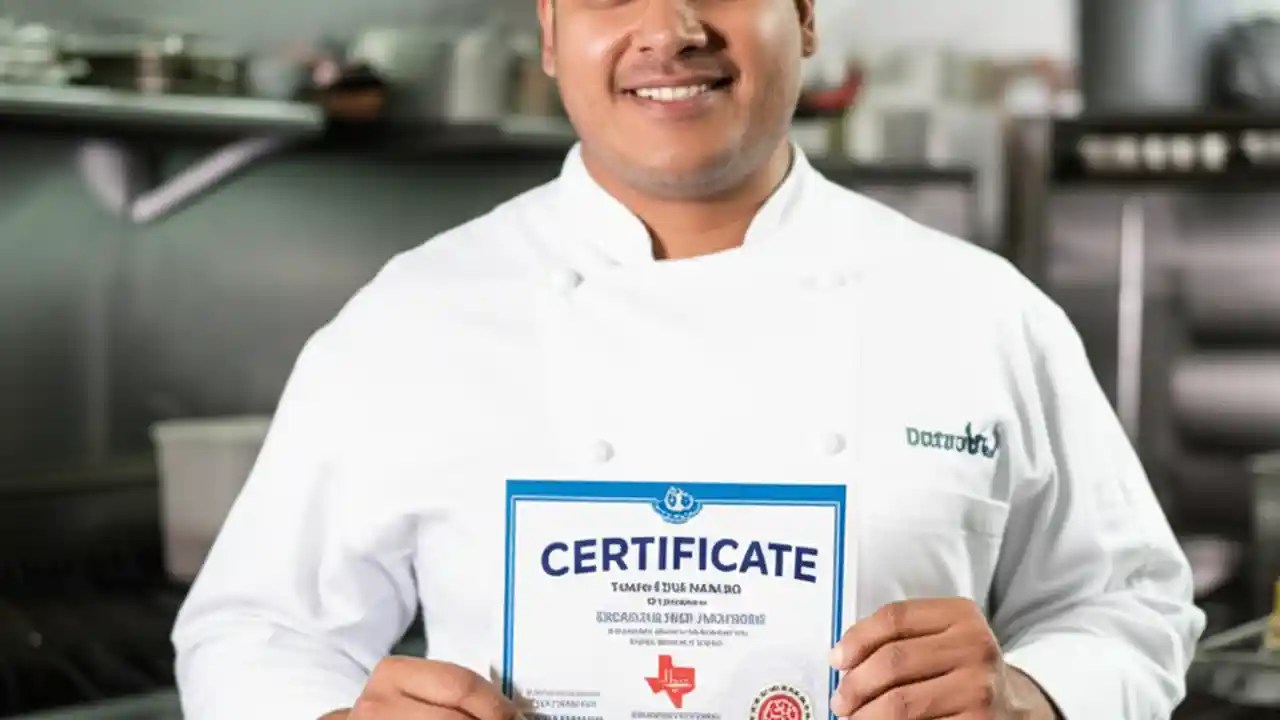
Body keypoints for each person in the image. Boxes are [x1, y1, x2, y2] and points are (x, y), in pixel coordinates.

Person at [172, 0, 1205, 718]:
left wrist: (1034, 697)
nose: (668, 31)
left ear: (806, 16)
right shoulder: (410, 318)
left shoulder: (979, 313)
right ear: (549, 32)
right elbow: (255, 628)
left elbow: (1128, 603)